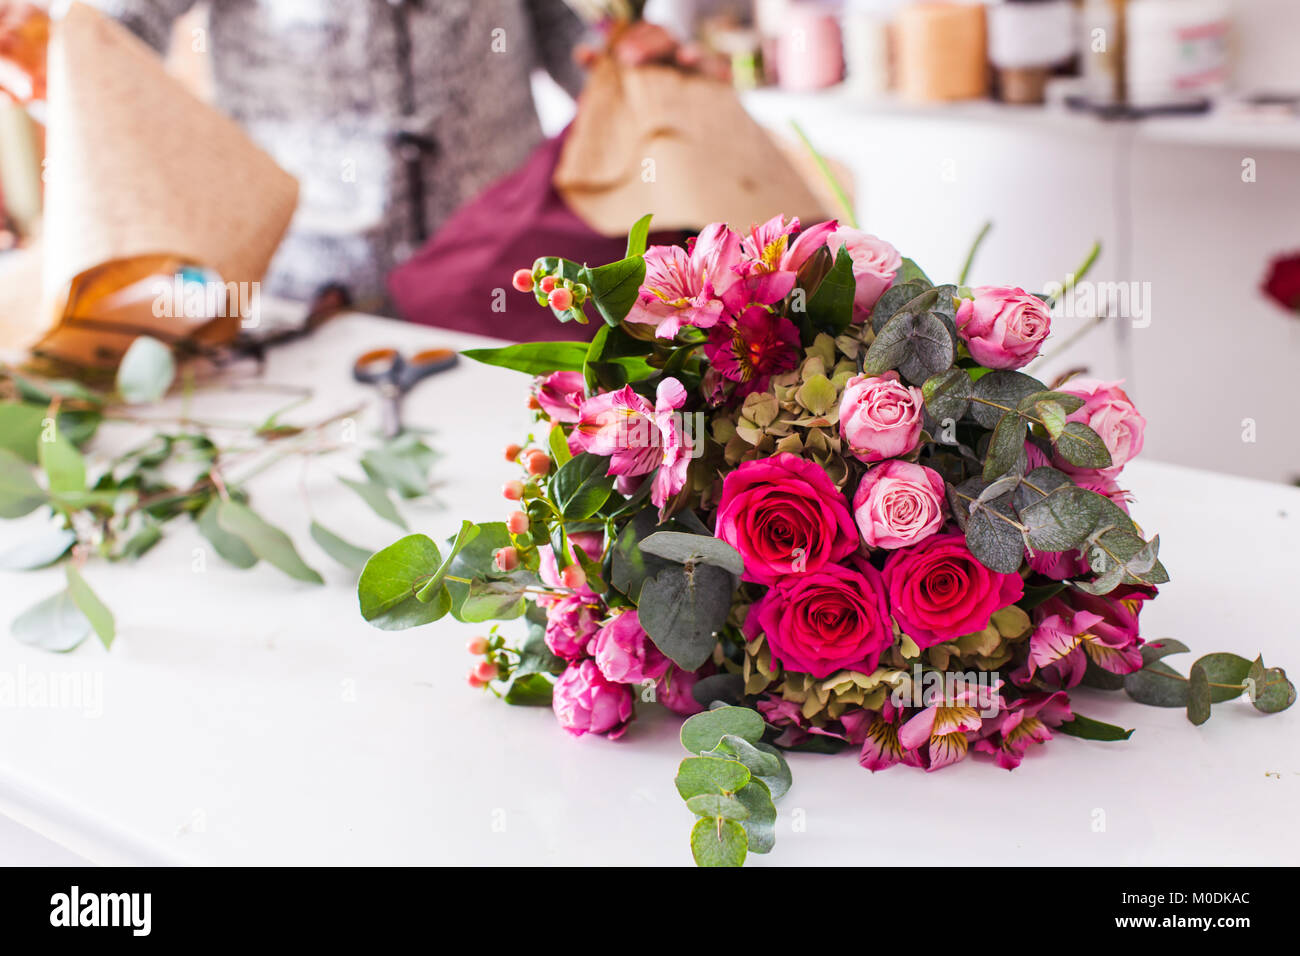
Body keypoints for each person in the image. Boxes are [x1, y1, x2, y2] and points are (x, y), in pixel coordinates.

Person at [0, 1, 719, 313]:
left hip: (503, 254)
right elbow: (122, 31)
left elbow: (553, 19)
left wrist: (619, 66)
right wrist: (59, 52)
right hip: (308, 277)